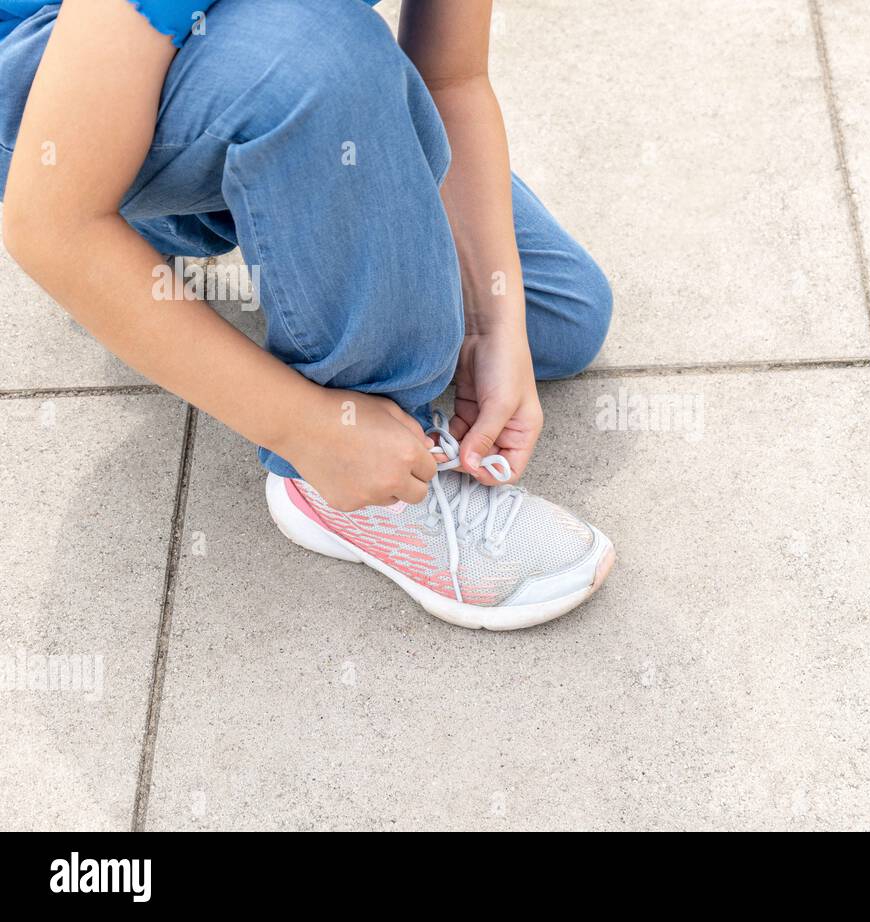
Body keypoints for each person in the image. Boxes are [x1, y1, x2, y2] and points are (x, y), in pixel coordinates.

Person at [0, 0, 616, 630]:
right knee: (319, 56)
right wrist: (309, 428)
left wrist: (494, 325)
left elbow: (449, 78)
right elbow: (49, 226)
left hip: (242, 55)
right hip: (43, 89)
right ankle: (344, 496)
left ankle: (263, 170)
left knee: (559, 317)